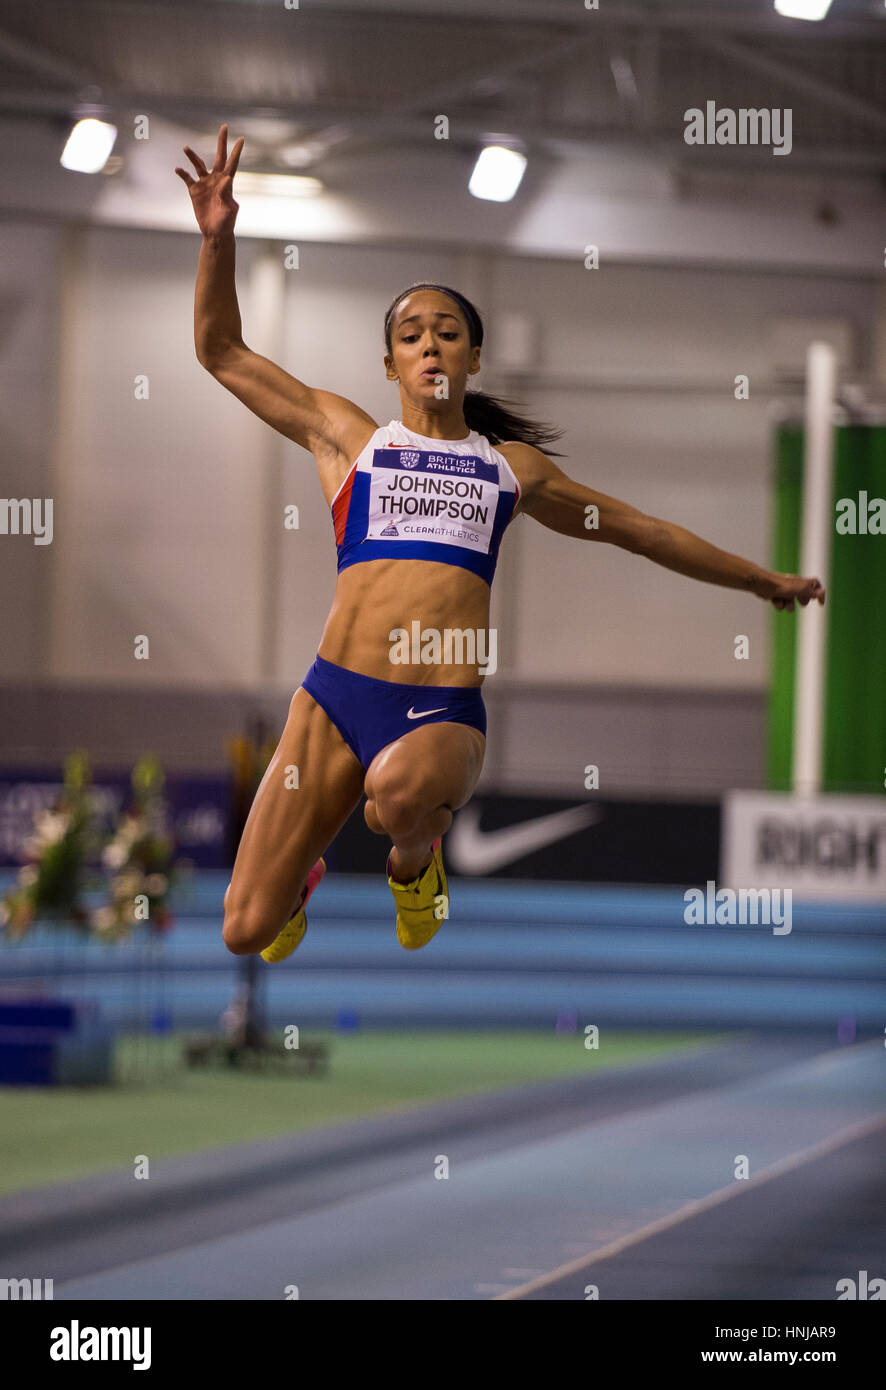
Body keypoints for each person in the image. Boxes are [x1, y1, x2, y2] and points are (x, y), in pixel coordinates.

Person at [175, 126, 825, 964]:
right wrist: (218, 239)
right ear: (389, 364)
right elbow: (220, 350)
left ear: (473, 357)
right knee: (244, 930)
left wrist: (759, 580)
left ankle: (416, 866)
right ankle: (304, 880)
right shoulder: (350, 441)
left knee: (394, 797)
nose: (430, 345)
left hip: (436, 711)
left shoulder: (509, 470)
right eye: (411, 335)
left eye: (447, 332)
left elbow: (644, 531)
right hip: (333, 697)